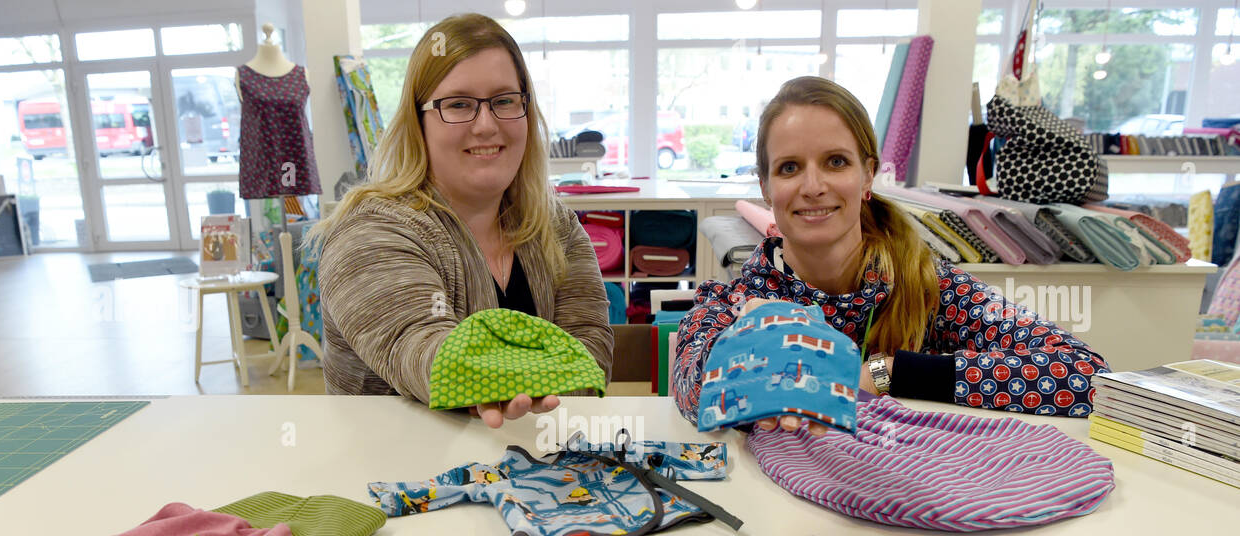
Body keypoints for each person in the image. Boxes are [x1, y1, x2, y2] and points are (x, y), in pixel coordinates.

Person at [672, 76, 1110, 434]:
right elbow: (691, 387)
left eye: (835, 162)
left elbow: (1088, 376)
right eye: (789, 168)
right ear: (766, 188)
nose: (812, 186)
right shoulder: (739, 302)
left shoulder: (929, 286)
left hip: (914, 518)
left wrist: (884, 373)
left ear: (868, 176)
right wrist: (746, 353)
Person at [312, 14, 611, 427]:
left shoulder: (555, 226)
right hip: (393, 478)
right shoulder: (369, 234)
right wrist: (531, 372)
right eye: (458, 105)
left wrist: (500, 379)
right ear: (418, 123)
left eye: (504, 100)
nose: (486, 125)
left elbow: (590, 359)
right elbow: (427, 355)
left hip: (532, 474)